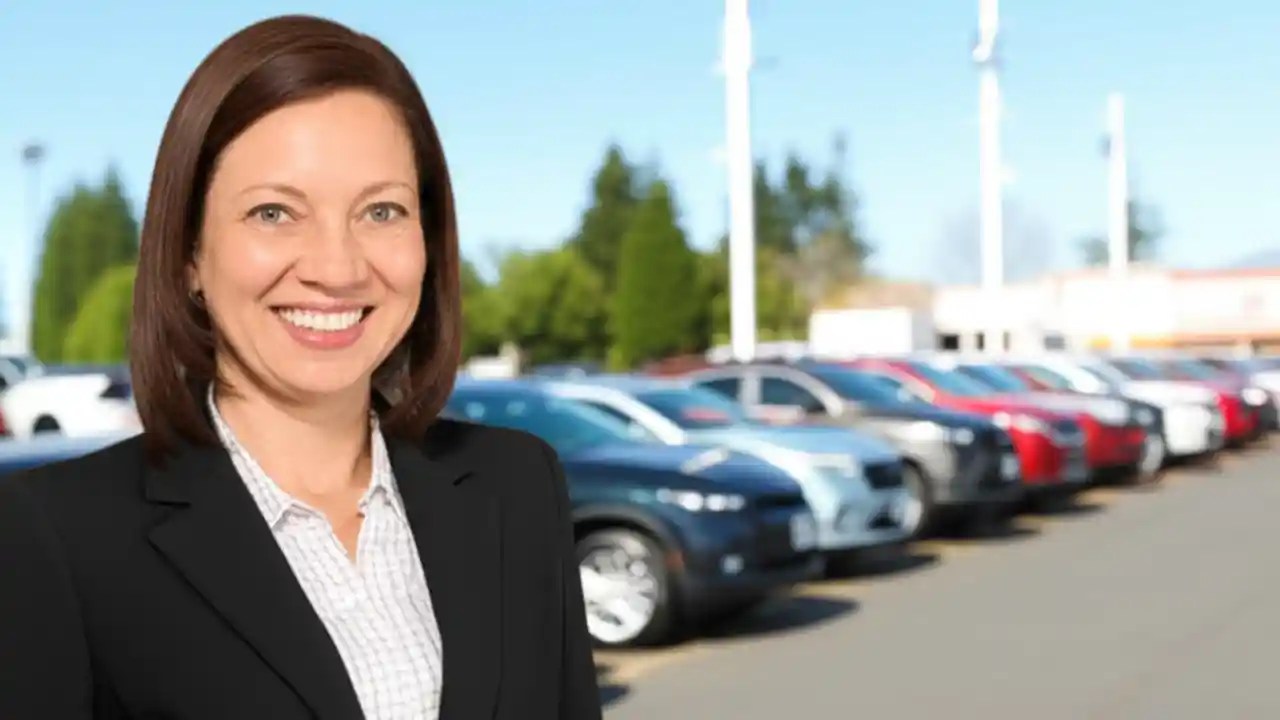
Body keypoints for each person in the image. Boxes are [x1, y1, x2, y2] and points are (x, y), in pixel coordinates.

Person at [0, 15, 601, 720]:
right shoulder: (58, 538)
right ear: (190, 254)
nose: (337, 269)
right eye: (274, 213)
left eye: (381, 210)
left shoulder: (519, 486)